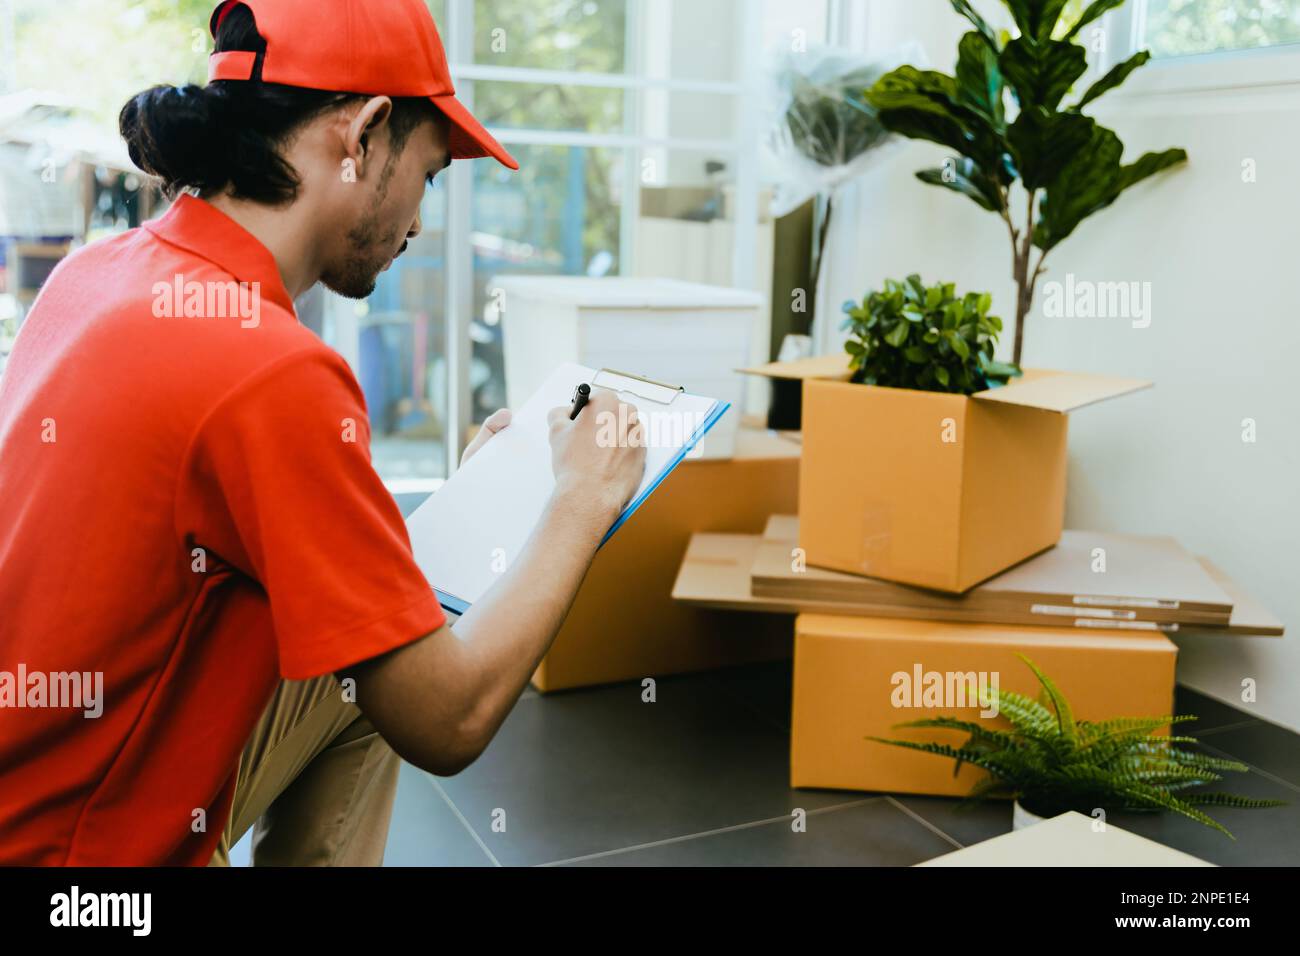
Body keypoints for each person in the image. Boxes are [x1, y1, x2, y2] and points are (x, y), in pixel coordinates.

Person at [0, 0, 646, 866]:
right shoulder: (270, 369)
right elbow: (447, 719)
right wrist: (583, 500)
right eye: (428, 171)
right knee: (397, 686)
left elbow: (336, 579)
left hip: (30, 787)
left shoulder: (97, 273)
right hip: (82, 867)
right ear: (366, 134)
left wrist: (471, 502)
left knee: (360, 672)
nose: (417, 223)